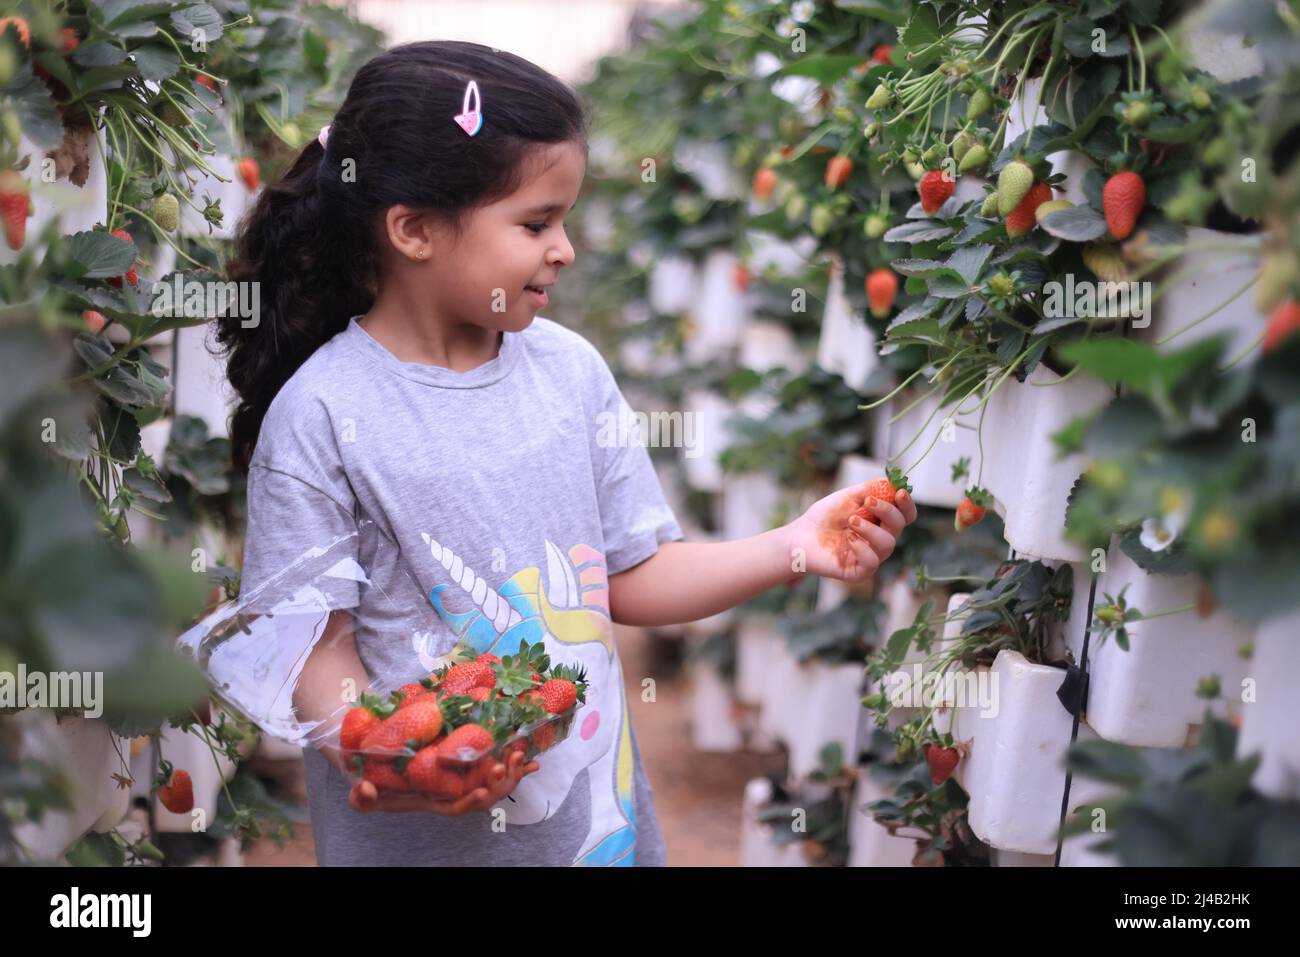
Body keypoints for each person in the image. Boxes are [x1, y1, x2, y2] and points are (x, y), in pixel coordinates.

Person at [217, 40, 917, 867]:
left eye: (565, 219)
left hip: (589, 838)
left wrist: (794, 544)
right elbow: (316, 646)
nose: (565, 248)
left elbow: (627, 573)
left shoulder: (570, 371)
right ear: (413, 230)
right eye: (536, 222)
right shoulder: (324, 412)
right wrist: (387, 751)